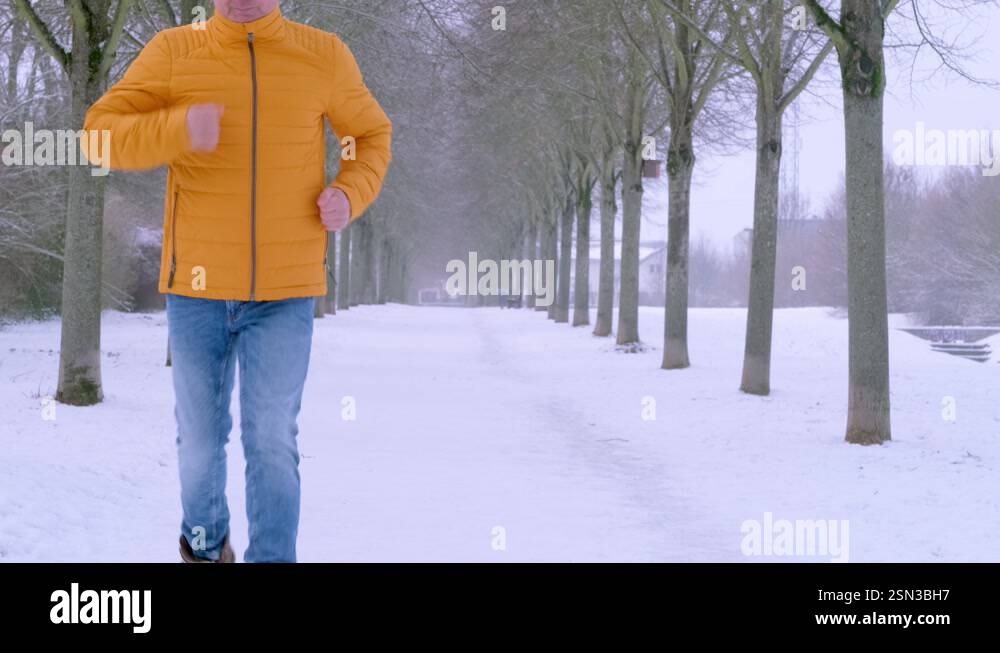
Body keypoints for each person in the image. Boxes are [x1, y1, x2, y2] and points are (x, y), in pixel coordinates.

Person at [83, 0, 392, 562]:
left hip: (286, 290)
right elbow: (99, 136)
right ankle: (204, 548)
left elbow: (368, 137)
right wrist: (176, 128)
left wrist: (349, 193)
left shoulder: (323, 55)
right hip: (196, 291)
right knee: (200, 444)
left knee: (272, 439)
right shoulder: (175, 52)